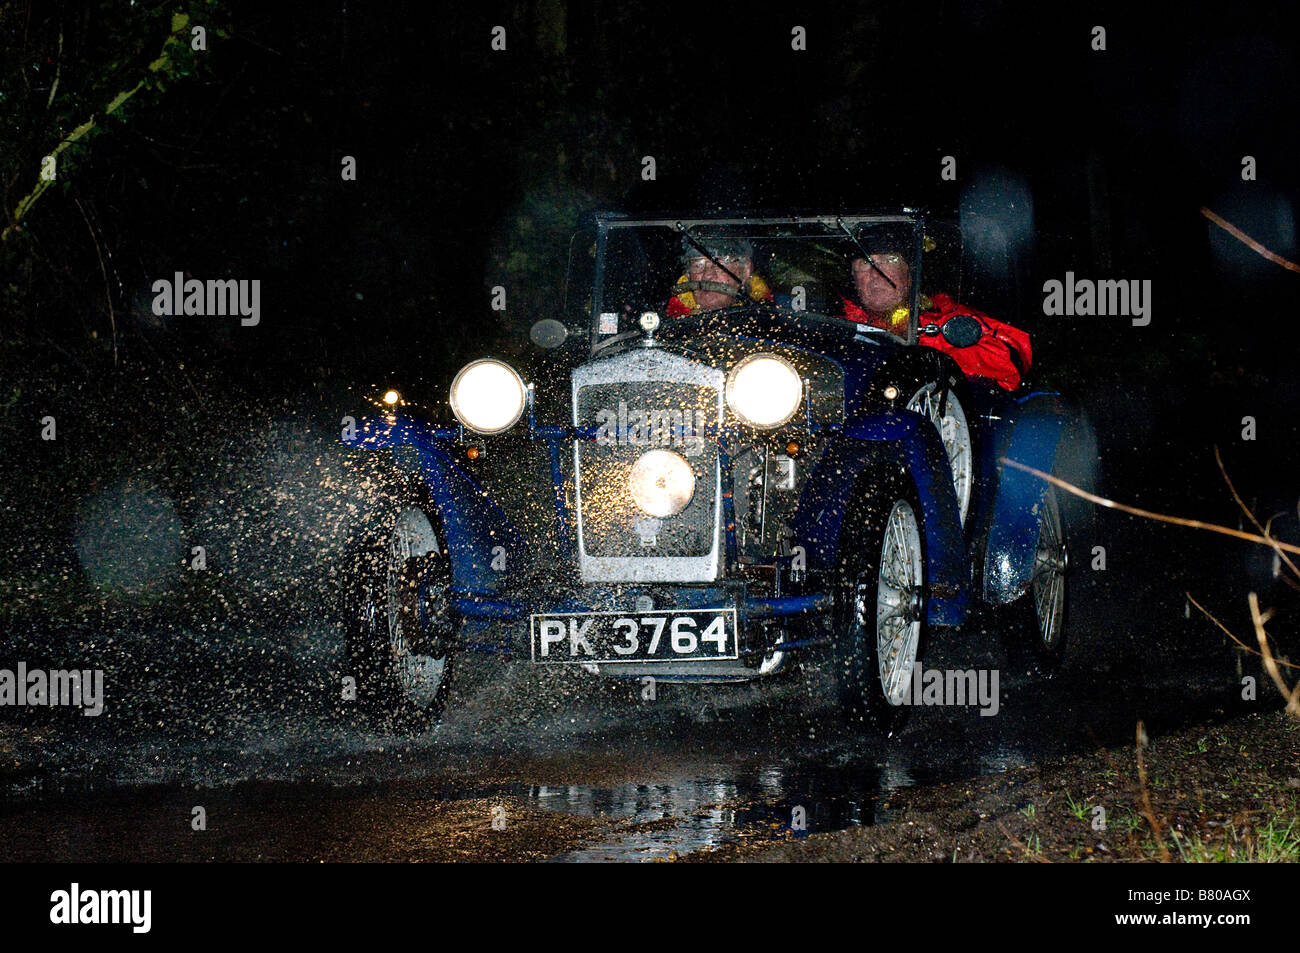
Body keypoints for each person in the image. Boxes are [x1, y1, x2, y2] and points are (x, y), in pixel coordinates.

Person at [841, 238, 1032, 391]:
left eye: (890, 260)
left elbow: (1011, 361)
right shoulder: (840, 327)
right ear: (854, 278)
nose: (875, 273)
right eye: (865, 263)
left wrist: (923, 344)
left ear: (910, 274)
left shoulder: (948, 317)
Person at [667, 236, 772, 317]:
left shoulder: (773, 315)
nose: (708, 276)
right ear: (688, 275)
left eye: (720, 265)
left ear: (744, 271)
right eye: (698, 265)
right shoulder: (665, 324)